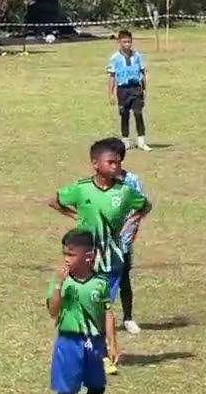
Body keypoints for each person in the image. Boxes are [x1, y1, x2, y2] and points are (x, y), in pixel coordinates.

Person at [50, 138, 152, 375]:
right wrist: (75, 216)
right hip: (84, 256)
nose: (116, 167)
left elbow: (144, 206)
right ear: (96, 164)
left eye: (118, 162)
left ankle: (105, 354)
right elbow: (54, 201)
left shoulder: (125, 191)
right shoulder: (81, 188)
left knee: (103, 306)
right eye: (111, 162)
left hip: (112, 257)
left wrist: (131, 221)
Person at [48, 229, 118, 394]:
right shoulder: (63, 282)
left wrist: (112, 343)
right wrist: (58, 284)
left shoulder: (100, 282)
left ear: (88, 256)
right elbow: (52, 310)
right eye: (64, 254)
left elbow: (107, 312)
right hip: (69, 342)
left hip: (94, 343)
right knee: (66, 391)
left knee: (97, 387)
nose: (66, 259)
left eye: (71, 254)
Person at [108, 137, 147, 334]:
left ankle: (128, 318)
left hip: (122, 241)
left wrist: (129, 231)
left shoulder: (130, 181)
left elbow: (140, 208)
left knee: (124, 278)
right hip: (102, 240)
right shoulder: (100, 182)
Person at [108, 29, 151, 152]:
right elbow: (112, 76)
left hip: (136, 88)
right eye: (124, 42)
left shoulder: (137, 56)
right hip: (123, 89)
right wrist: (110, 93)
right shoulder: (115, 58)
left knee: (138, 113)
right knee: (124, 115)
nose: (127, 44)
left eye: (129, 42)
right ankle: (125, 141)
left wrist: (144, 89)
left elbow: (143, 73)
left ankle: (141, 141)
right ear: (119, 42)